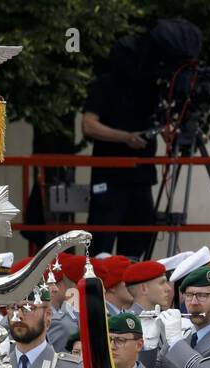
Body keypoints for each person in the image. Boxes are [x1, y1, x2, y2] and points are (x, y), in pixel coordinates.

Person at [81, 69, 157, 259]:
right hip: (109, 178)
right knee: (101, 244)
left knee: (137, 243)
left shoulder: (151, 86)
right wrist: (126, 138)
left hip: (141, 178)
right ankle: (96, 284)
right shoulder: (104, 85)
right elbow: (88, 125)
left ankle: (132, 282)